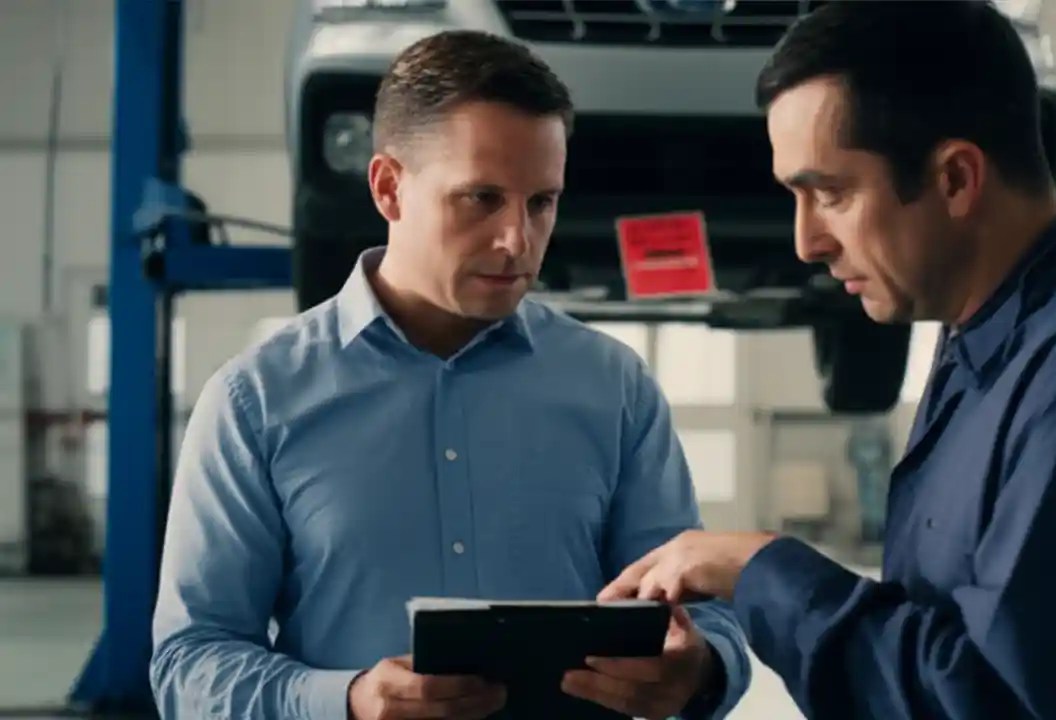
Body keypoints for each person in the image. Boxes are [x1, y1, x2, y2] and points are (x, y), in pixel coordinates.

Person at [600, 2, 1056, 718]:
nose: (807, 242)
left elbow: (993, 703)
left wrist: (763, 571)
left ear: (956, 178)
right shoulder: (988, 352)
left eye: (830, 193)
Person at [150, 30, 750, 720]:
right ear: (388, 187)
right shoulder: (255, 400)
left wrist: (699, 670)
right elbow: (190, 663)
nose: (517, 241)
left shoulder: (614, 388)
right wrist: (343, 701)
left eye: (541, 202)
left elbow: (701, 620)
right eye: (481, 198)